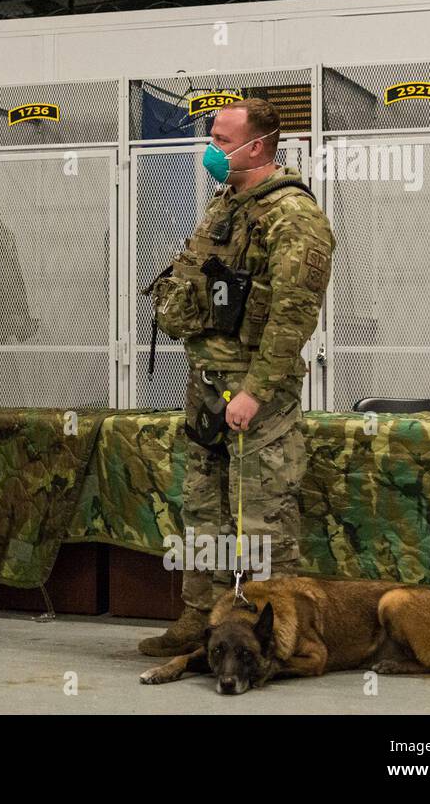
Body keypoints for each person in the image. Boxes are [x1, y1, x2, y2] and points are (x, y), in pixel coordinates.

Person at [140, 97, 334, 657]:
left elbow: (292, 316)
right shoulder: (226, 205)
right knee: (204, 509)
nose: (213, 150)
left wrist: (254, 391)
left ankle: (275, 635)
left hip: (255, 392)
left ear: (258, 146)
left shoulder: (293, 216)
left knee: (262, 516)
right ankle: (201, 618)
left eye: (224, 140)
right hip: (206, 382)